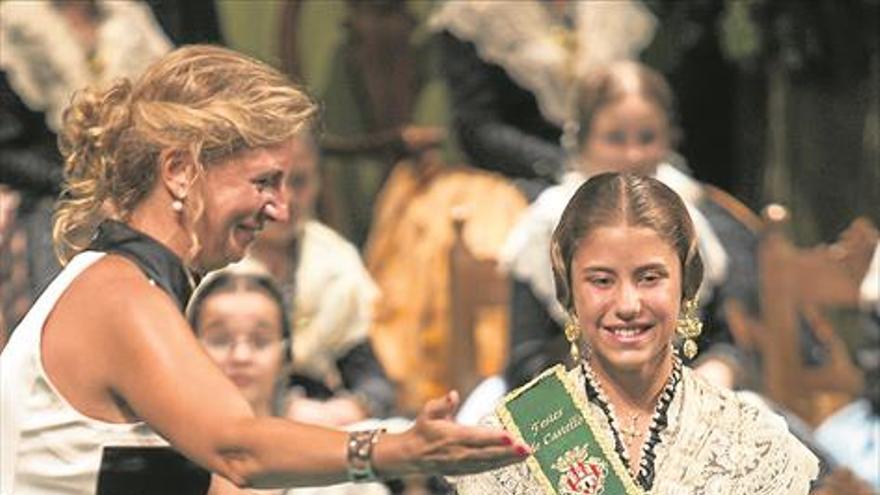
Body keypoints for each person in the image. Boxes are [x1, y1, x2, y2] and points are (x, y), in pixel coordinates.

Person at [0, 45, 529, 494]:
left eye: (287, 184)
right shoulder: (117, 294)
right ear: (181, 171)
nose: (279, 209)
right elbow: (238, 449)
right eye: (263, 183)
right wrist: (400, 450)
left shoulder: (131, 287)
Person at [453, 172, 819, 494]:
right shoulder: (517, 438)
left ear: (686, 286)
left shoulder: (751, 441)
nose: (628, 304)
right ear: (568, 290)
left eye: (650, 278)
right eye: (601, 280)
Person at [500, 60, 761, 390]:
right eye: (615, 138)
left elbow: (722, 340)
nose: (633, 155)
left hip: (683, 402)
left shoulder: (690, 219)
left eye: (647, 137)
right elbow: (525, 366)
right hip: (572, 409)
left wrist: (719, 371)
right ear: (582, 141)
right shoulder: (546, 227)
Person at [188, 269, 392, 495]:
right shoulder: (164, 457)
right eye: (220, 340)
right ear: (190, 347)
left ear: (285, 355)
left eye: (260, 341)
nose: (241, 356)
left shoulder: (338, 466)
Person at [244, 132, 395, 424]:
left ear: (318, 180)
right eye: (268, 182)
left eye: (299, 182)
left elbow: (370, 378)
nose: (285, 199)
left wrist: (354, 407)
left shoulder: (335, 260)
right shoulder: (212, 259)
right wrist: (281, 406)